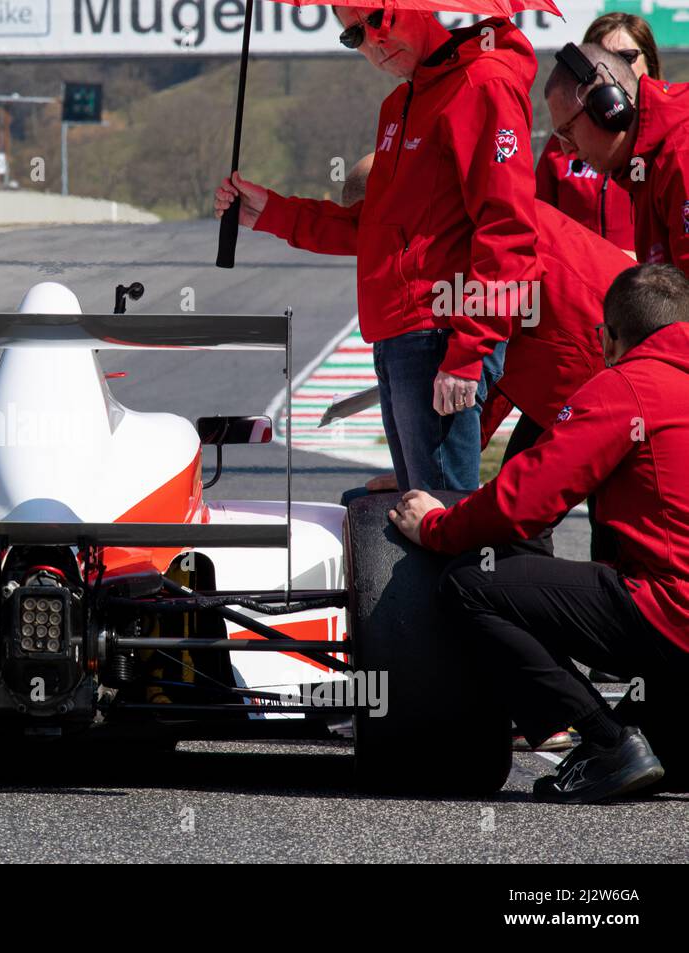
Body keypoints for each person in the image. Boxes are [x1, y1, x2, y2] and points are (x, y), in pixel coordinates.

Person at [389, 264, 689, 803]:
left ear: (609, 338)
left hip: (671, 612)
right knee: (667, 761)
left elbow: (522, 504)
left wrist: (434, 526)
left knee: (469, 585)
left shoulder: (627, 386)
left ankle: (605, 742)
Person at [216, 9, 541, 493]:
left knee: (441, 520)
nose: (374, 41)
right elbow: (372, 228)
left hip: (439, 334)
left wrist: (466, 353)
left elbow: (508, 230)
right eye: (354, 34)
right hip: (399, 337)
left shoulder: (481, 85)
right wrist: (270, 212)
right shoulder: (400, 104)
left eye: (378, 18)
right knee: (422, 516)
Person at [545, 41, 689, 276]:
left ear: (609, 106)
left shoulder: (681, 153)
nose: (567, 150)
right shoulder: (644, 162)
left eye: (568, 130)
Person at [536, 13, 660, 256]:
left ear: (651, 64)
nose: (615, 71)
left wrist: (638, 264)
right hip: (579, 286)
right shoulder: (564, 140)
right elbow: (539, 222)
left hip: (649, 286)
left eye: (626, 57)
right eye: (603, 59)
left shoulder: (670, 141)